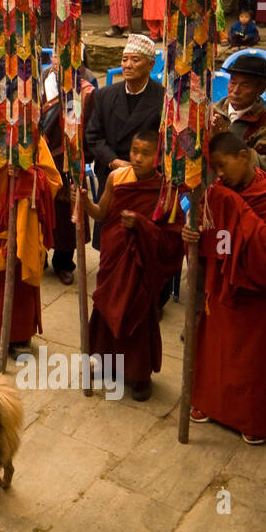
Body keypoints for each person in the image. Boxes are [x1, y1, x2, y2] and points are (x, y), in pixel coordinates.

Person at [182, 131, 266, 444]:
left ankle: (252, 418)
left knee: (250, 357)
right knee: (215, 348)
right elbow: (206, 227)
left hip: (252, 290)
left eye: (223, 165)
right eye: (216, 168)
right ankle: (210, 403)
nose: (219, 174)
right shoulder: (221, 191)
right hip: (221, 282)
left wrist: (236, 207)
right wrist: (191, 235)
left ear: (244, 157)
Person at [77, 129, 183, 401]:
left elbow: (172, 237)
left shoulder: (165, 188)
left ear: (157, 158)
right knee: (105, 306)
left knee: (138, 314)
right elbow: (101, 213)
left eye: (145, 154)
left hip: (141, 265)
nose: (137, 158)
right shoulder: (116, 177)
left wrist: (142, 225)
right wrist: (86, 203)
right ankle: (103, 361)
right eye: (134, 151)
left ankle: (139, 375)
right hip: (114, 256)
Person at [0, 91, 60, 350]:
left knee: (17, 276)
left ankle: (19, 336)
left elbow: (51, 179)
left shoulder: (30, 138)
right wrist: (2, 161)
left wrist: (25, 172)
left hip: (19, 218)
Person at [39, 57, 96, 285]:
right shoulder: (42, 79)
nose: (56, 62)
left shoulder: (86, 87)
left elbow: (90, 123)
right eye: (54, 56)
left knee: (66, 212)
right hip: (43, 155)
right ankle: (39, 255)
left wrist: (83, 156)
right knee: (40, 208)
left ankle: (63, 262)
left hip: (70, 155)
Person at [85, 34, 165, 190]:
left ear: (150, 65)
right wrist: (114, 162)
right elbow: (93, 136)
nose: (127, 65)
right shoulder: (104, 95)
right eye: (124, 59)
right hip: (112, 174)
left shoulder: (163, 99)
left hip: (148, 178)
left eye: (135, 60)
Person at [210, 53, 266, 176]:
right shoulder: (211, 111)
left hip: (247, 193)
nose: (235, 90)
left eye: (245, 85)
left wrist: (227, 139)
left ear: (261, 89)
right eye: (233, 83)